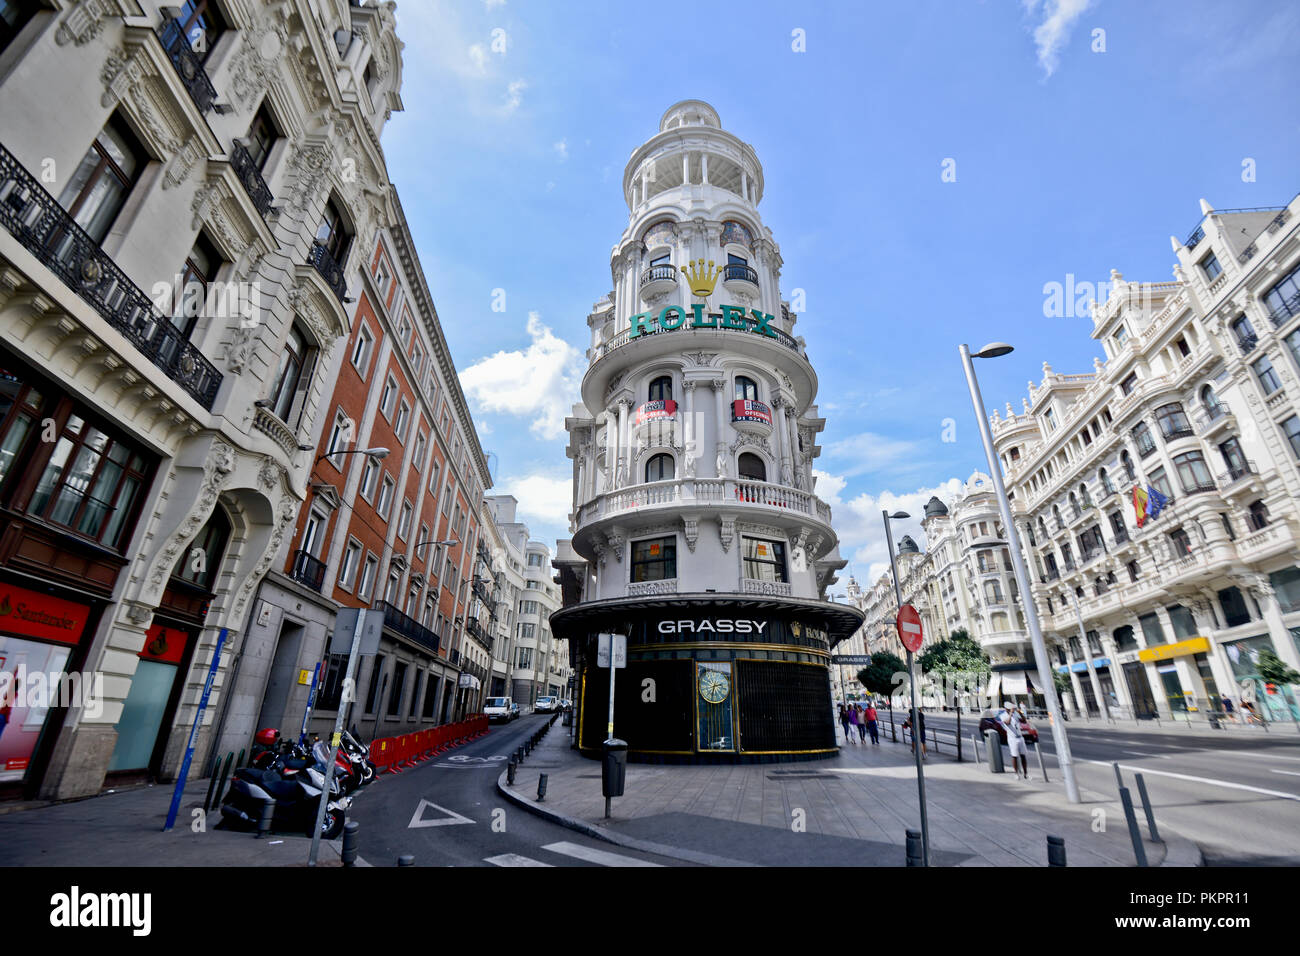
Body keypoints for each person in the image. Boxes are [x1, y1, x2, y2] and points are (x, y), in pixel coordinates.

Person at [1001, 700, 1029, 779]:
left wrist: (1020, 713)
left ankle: (1026, 773)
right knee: (1014, 756)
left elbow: (1024, 721)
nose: (1011, 709)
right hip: (1012, 738)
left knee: (1023, 755)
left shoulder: (1016, 714)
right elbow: (1007, 722)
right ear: (1006, 708)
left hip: (1020, 737)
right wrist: (1010, 714)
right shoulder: (1003, 715)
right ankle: (1016, 773)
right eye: (1010, 708)